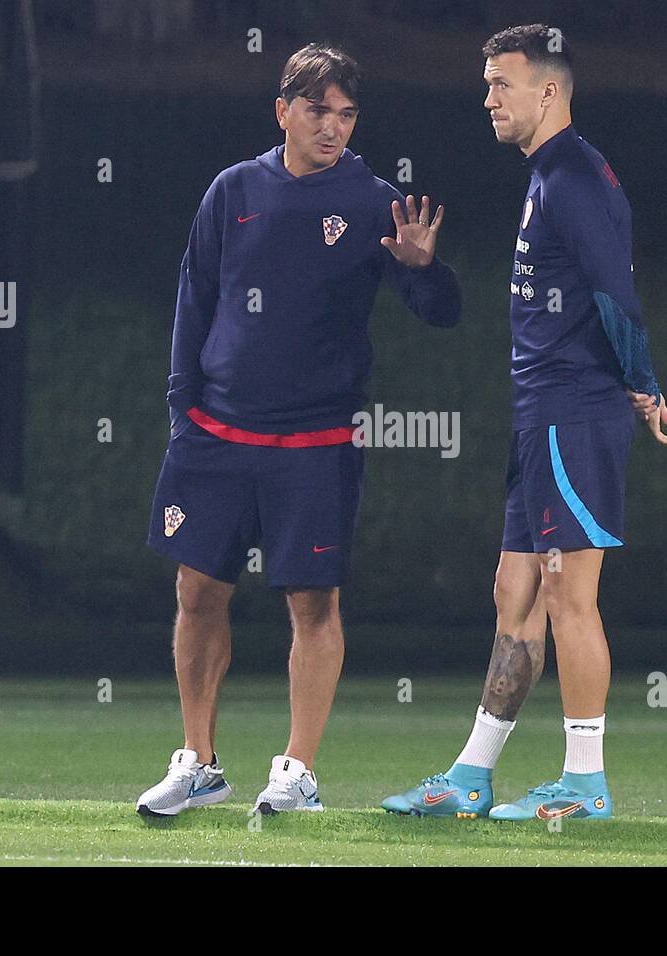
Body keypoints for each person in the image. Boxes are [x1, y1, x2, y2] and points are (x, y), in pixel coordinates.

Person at [138, 42, 461, 817]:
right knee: (196, 590)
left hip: (315, 439)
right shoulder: (234, 190)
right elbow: (196, 294)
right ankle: (200, 764)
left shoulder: (373, 199)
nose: (334, 126)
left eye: (347, 114)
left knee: (312, 605)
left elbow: (442, 313)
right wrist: (183, 407)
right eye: (318, 109)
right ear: (283, 110)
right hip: (216, 432)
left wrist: (422, 267)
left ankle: (297, 771)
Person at [382, 23, 667, 821]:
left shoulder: (573, 176)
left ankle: (587, 782)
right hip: (539, 416)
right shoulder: (550, 173)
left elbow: (616, 291)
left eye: (500, 83)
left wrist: (643, 384)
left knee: (565, 593)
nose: (488, 98)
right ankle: (470, 777)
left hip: (574, 416)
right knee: (513, 590)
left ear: (548, 91)